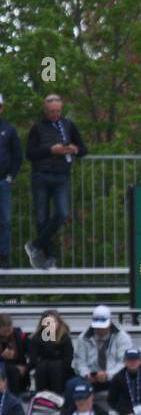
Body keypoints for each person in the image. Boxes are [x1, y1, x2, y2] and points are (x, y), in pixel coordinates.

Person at [24, 93, 88, 269]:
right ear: (45, 110)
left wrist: (74, 149)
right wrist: (51, 150)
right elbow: (30, 154)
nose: (55, 114)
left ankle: (36, 245)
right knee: (41, 218)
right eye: (51, 111)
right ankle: (49, 255)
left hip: (61, 175)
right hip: (41, 175)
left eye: (58, 111)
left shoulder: (69, 125)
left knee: (61, 213)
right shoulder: (37, 128)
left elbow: (83, 149)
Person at [72, 304, 132, 396]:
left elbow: (124, 363)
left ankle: (126, 410)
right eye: (97, 326)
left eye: (103, 326)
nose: (100, 329)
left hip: (115, 376)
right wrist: (86, 374)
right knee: (71, 385)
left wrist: (108, 375)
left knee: (127, 383)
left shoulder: (123, 338)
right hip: (91, 377)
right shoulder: (83, 338)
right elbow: (80, 362)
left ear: (110, 323)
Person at [0, 93, 23, 269]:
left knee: (5, 220)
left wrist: (10, 177)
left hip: (3, 181)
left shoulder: (9, 130)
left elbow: (17, 155)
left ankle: (3, 256)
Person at [27, 309, 74, 392]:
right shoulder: (35, 339)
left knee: (55, 368)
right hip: (42, 374)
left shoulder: (65, 338)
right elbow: (33, 360)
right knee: (43, 367)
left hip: (61, 374)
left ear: (59, 323)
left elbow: (68, 361)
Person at [0, 313, 31, 393]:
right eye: (4, 331)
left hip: (20, 367)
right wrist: (2, 356)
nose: (7, 334)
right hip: (3, 368)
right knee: (12, 370)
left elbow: (31, 351)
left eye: (9, 330)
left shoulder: (19, 335)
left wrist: (26, 367)